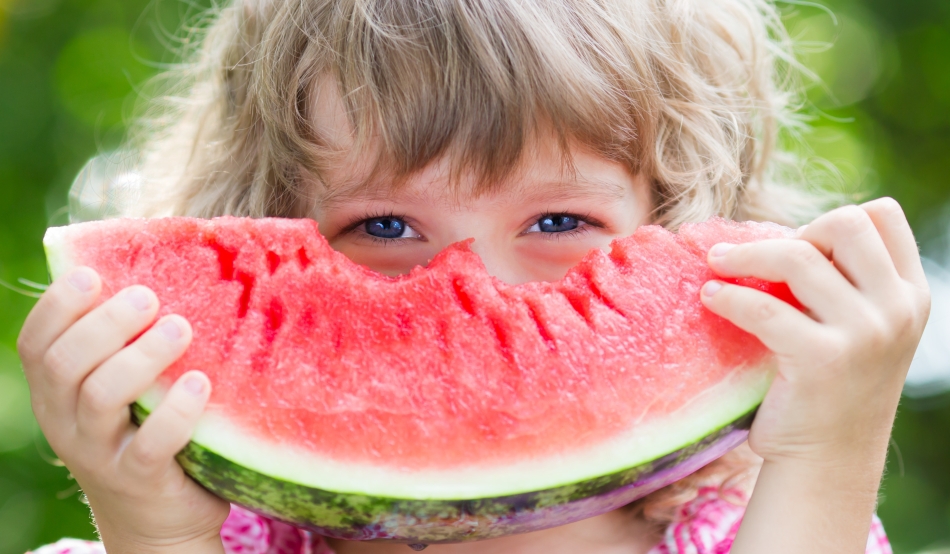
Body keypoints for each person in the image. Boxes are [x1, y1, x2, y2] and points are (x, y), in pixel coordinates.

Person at [18, 0, 930, 553]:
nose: (476, 285)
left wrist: (829, 452)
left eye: (558, 222)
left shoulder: (752, 528)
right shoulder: (238, 541)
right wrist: (154, 532)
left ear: (679, 219)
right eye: (384, 226)